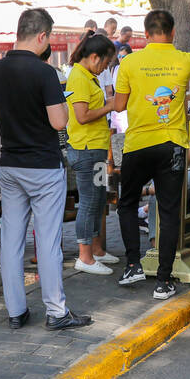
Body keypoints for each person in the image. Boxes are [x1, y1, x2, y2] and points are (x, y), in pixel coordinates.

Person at [0, 7, 92, 331]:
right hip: (44, 167)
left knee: (12, 239)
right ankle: (56, 312)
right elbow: (59, 122)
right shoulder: (45, 73)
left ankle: (16, 311)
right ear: (42, 36)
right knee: (47, 240)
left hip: (11, 164)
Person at [111, 9, 190, 300]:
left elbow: (120, 106)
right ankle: (163, 281)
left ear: (144, 34)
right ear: (172, 32)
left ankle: (133, 264)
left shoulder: (129, 62)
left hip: (137, 144)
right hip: (172, 144)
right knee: (170, 211)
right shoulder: (187, 61)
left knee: (127, 203)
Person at [64, 33, 120, 276]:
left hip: (95, 148)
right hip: (85, 149)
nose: (105, 68)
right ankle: (85, 256)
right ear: (94, 56)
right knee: (88, 202)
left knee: (97, 200)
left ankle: (96, 250)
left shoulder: (89, 76)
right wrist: (110, 105)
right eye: (105, 63)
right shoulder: (78, 77)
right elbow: (82, 116)